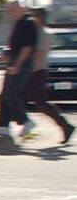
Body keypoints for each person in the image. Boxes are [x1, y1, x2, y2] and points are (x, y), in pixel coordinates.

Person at [20, 8, 75, 143]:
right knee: (15, 98)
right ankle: (22, 126)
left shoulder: (46, 33)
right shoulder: (34, 32)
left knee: (40, 104)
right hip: (29, 71)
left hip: (37, 72)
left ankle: (66, 126)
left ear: (39, 17)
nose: (30, 19)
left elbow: (40, 54)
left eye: (33, 16)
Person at [0, 0, 36, 137]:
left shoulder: (28, 23)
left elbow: (27, 47)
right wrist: (7, 54)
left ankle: (25, 121)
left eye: (10, 9)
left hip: (21, 64)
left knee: (11, 94)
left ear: (20, 8)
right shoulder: (18, 23)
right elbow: (14, 45)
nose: (8, 12)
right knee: (3, 94)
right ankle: (2, 127)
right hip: (13, 62)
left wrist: (17, 65)